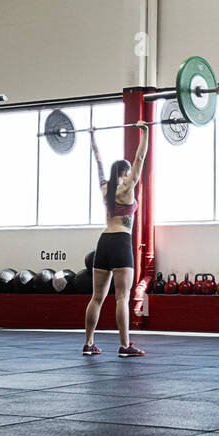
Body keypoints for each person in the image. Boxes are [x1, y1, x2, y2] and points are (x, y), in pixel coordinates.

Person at [83, 123, 149, 357]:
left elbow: (98, 162)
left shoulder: (105, 188)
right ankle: (124, 345)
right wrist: (145, 133)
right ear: (125, 172)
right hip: (121, 242)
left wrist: (93, 138)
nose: (131, 173)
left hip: (103, 242)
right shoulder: (127, 188)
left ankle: (89, 343)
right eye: (128, 171)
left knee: (97, 297)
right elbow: (140, 157)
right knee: (122, 297)